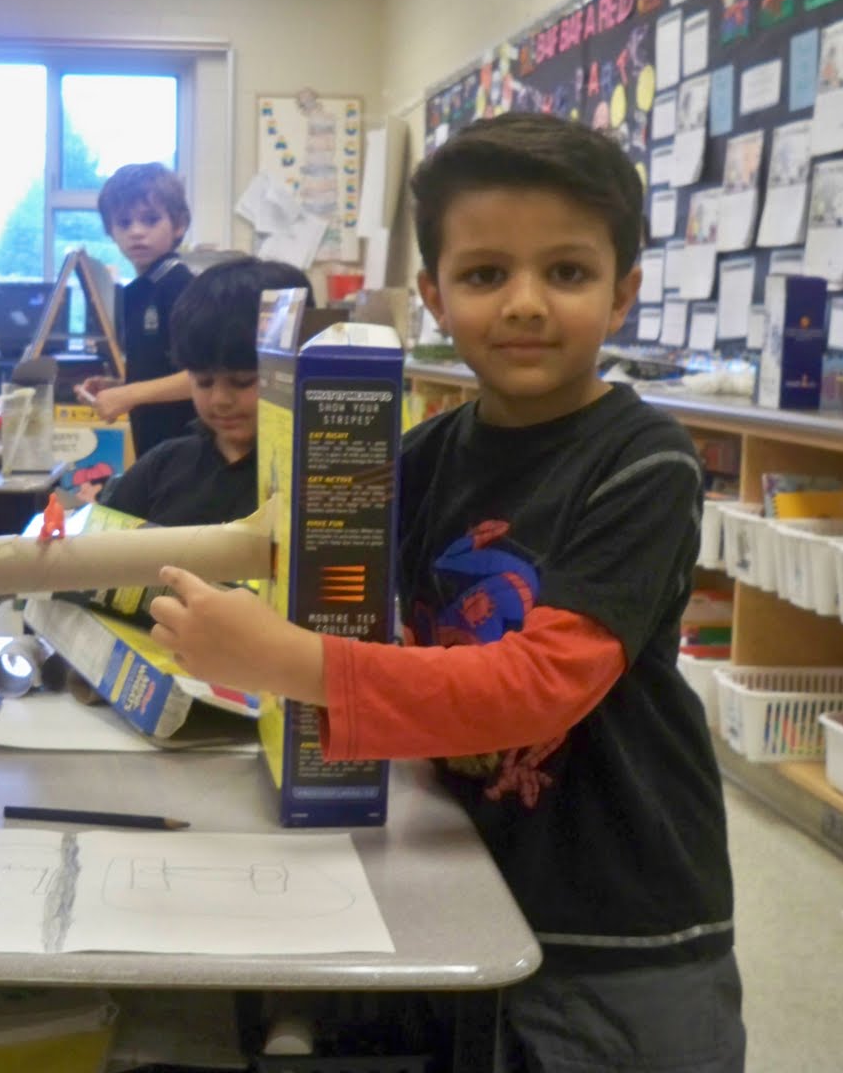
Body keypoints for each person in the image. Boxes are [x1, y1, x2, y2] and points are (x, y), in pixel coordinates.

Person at [148, 115, 744, 1072]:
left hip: (624, 922)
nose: (524, 304)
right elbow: (304, 551)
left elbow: (536, 688)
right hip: (470, 872)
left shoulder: (645, 463)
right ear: (432, 295)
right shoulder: (423, 454)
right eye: (483, 275)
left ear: (624, 293)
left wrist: (286, 661)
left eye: (568, 272)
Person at [102, 257, 311, 526]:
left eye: (243, 381)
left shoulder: (313, 481)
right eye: (203, 382)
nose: (220, 401)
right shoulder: (161, 468)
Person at [77, 162, 197, 456]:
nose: (137, 232)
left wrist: (129, 394)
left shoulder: (183, 287)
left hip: (188, 449)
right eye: (124, 222)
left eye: (151, 219)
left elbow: (205, 378)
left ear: (179, 224)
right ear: (111, 231)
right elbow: (163, 370)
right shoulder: (136, 292)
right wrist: (118, 385)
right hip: (153, 448)